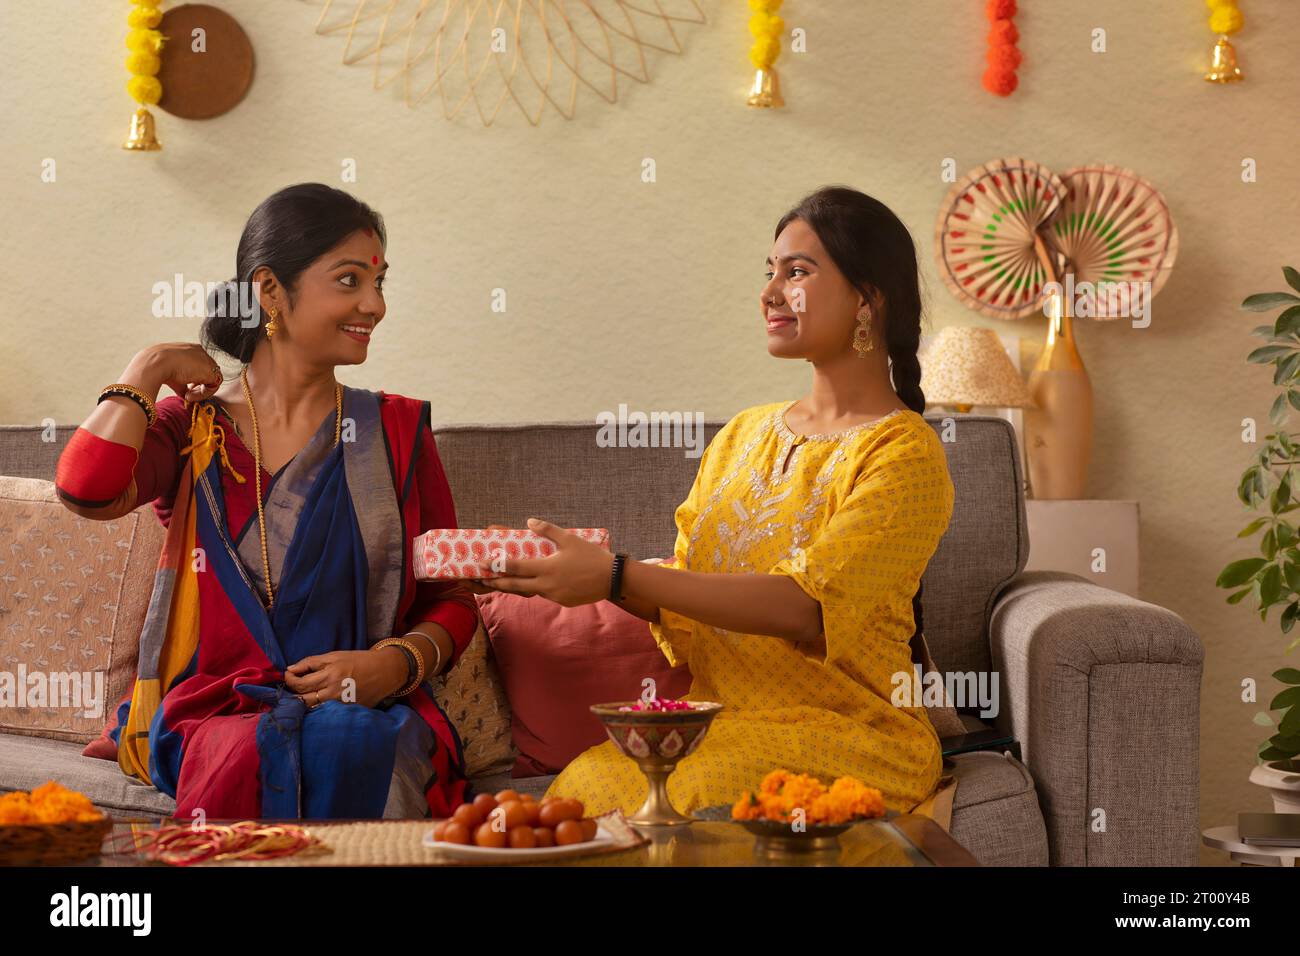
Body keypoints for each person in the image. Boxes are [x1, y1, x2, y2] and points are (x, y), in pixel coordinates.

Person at [480, 186, 956, 816]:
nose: (769, 292)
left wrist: (616, 572)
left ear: (867, 299)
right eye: (770, 271)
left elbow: (808, 607)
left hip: (851, 733)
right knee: (581, 790)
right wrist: (571, 573)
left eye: (798, 272)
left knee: (681, 802)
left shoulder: (906, 453)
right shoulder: (743, 434)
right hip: (720, 722)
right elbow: (688, 591)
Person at [55, 183, 478, 820]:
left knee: (348, 739)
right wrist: (146, 367)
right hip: (214, 707)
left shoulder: (393, 433)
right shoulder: (192, 429)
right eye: (349, 280)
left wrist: (392, 665)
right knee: (236, 752)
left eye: (380, 283)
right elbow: (86, 492)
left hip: (367, 703)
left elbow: (452, 599)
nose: (374, 305)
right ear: (270, 290)